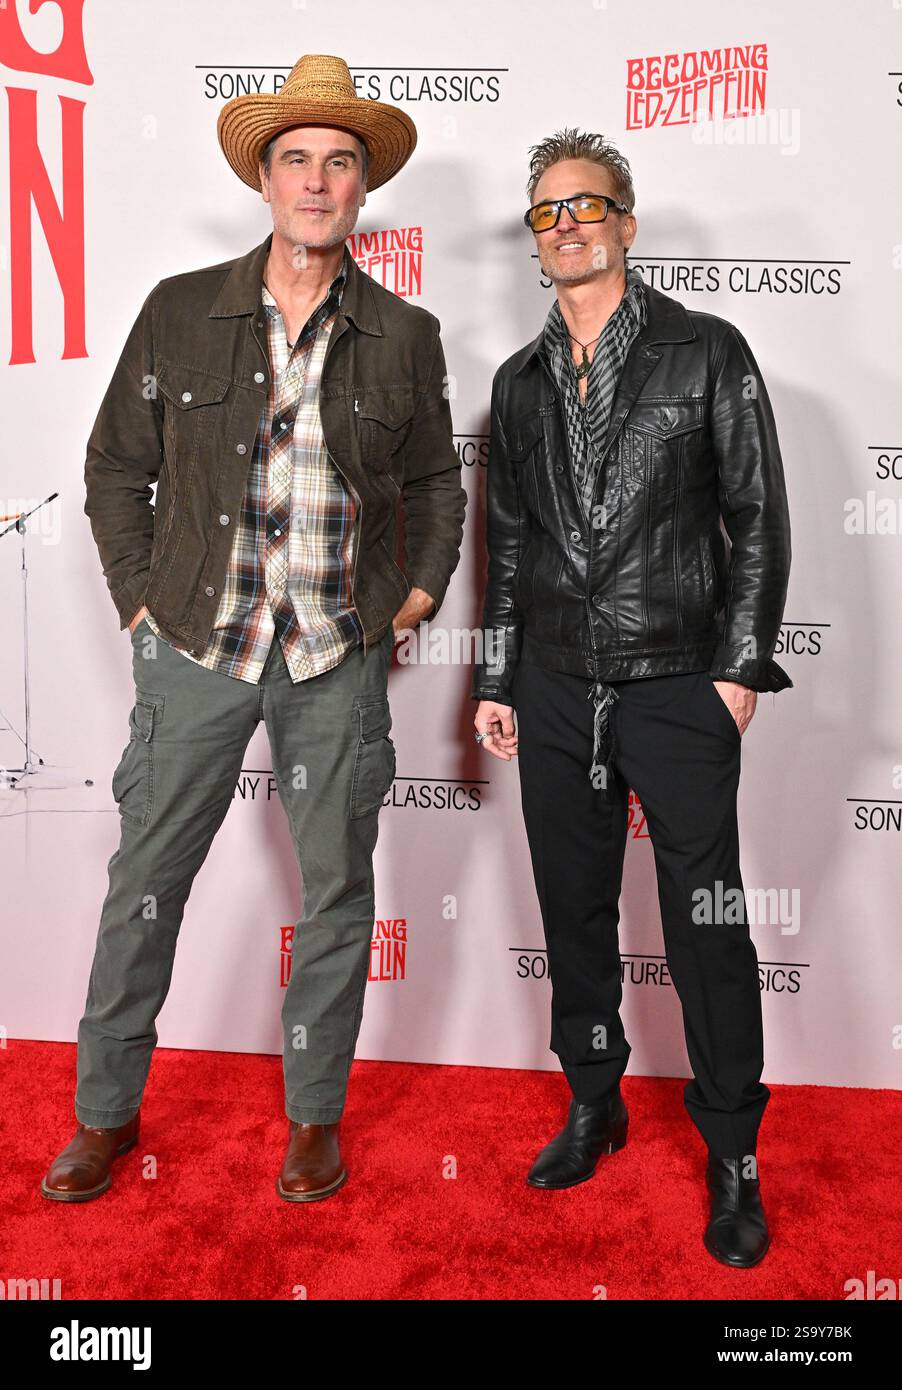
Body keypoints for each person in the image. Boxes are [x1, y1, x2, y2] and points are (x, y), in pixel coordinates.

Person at [42, 53, 465, 1205]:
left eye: (338, 162)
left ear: (361, 187)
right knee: (146, 885)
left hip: (334, 655)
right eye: (296, 161)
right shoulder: (182, 310)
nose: (317, 182)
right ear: (264, 181)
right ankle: (103, 1115)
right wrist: (140, 601)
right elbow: (113, 468)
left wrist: (412, 598)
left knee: (333, 895)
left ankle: (313, 1119)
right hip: (195, 647)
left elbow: (435, 484)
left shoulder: (404, 332)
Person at [471, 127, 791, 1267]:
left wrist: (737, 672)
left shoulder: (708, 350)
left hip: (676, 683)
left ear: (625, 222)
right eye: (544, 212)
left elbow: (755, 515)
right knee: (573, 911)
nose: (564, 225)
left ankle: (732, 1153)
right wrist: (499, 676)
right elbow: (504, 546)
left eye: (584, 205)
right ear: (535, 240)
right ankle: (592, 1099)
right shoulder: (515, 384)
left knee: (706, 927)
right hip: (554, 685)